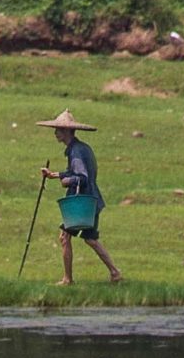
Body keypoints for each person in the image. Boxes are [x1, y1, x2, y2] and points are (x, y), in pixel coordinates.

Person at [36, 108, 122, 284]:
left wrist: (68, 181)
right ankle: (115, 272)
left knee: (65, 236)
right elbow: (74, 172)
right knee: (90, 239)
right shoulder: (78, 148)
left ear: (67, 131)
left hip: (83, 202)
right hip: (90, 200)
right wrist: (55, 175)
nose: (55, 133)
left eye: (58, 130)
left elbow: (82, 178)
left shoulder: (76, 151)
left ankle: (68, 279)